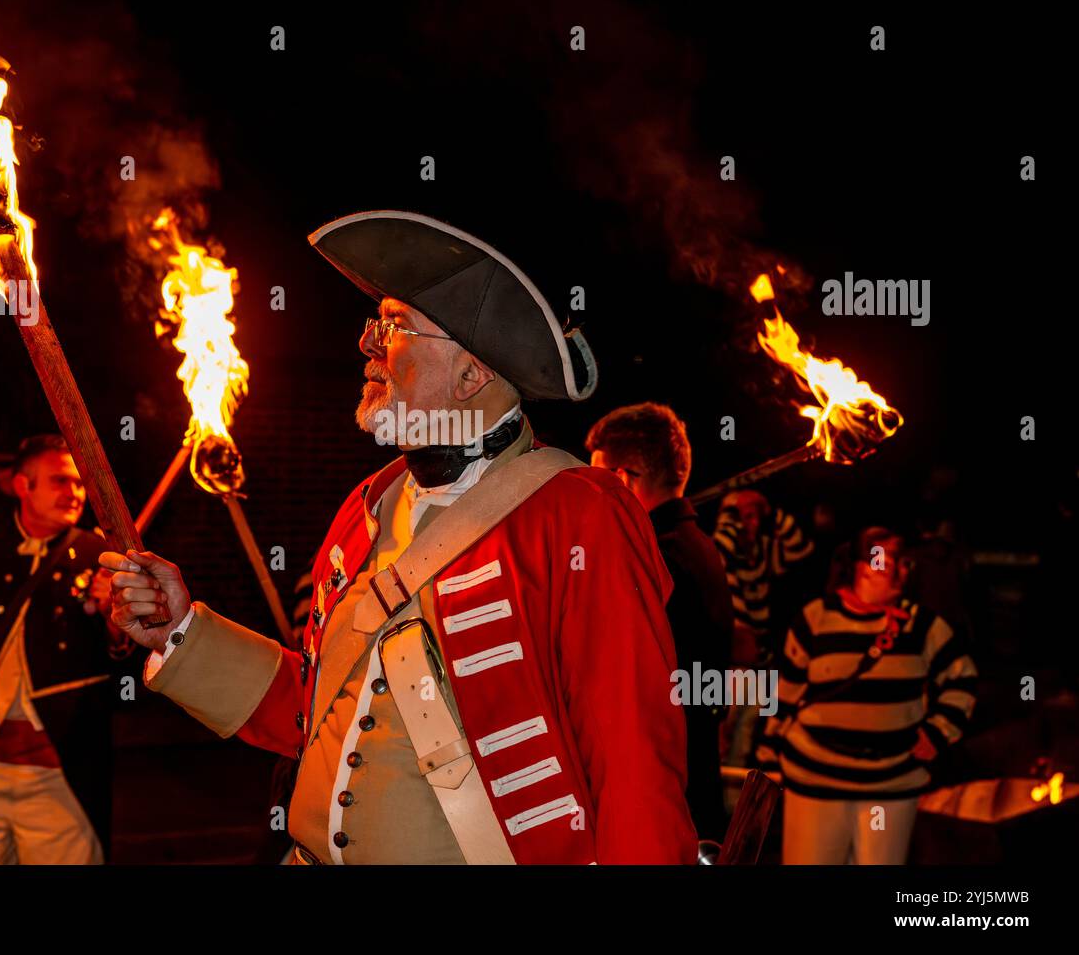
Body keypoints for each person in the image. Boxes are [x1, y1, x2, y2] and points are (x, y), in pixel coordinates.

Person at [103, 210, 696, 864]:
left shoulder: (578, 514)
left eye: (393, 327)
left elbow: (633, 756)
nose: (369, 346)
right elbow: (316, 707)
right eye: (373, 325)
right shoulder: (370, 504)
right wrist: (180, 628)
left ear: (472, 374)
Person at [0, 434, 135, 863]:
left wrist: (115, 618)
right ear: (23, 486)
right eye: (60, 481)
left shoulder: (106, 555)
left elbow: (126, 670)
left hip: (58, 776)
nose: (75, 492)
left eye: (79, 483)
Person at [757, 526, 978, 864]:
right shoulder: (816, 619)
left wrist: (937, 732)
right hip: (816, 781)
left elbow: (963, 678)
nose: (902, 570)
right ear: (864, 566)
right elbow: (785, 694)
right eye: (892, 561)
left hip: (890, 786)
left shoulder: (923, 626)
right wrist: (768, 759)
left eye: (905, 563)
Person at [585, 402, 733, 841]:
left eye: (598, 480)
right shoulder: (696, 546)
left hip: (661, 793)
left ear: (625, 479)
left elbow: (623, 685)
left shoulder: (654, 561)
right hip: (690, 777)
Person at [713, 488, 814, 768]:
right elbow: (723, 542)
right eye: (741, 518)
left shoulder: (762, 552)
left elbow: (801, 548)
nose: (749, 524)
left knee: (744, 748)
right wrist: (736, 511)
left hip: (759, 665)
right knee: (720, 744)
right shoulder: (720, 552)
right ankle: (713, 810)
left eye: (754, 517)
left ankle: (736, 810)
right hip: (728, 668)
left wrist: (770, 511)